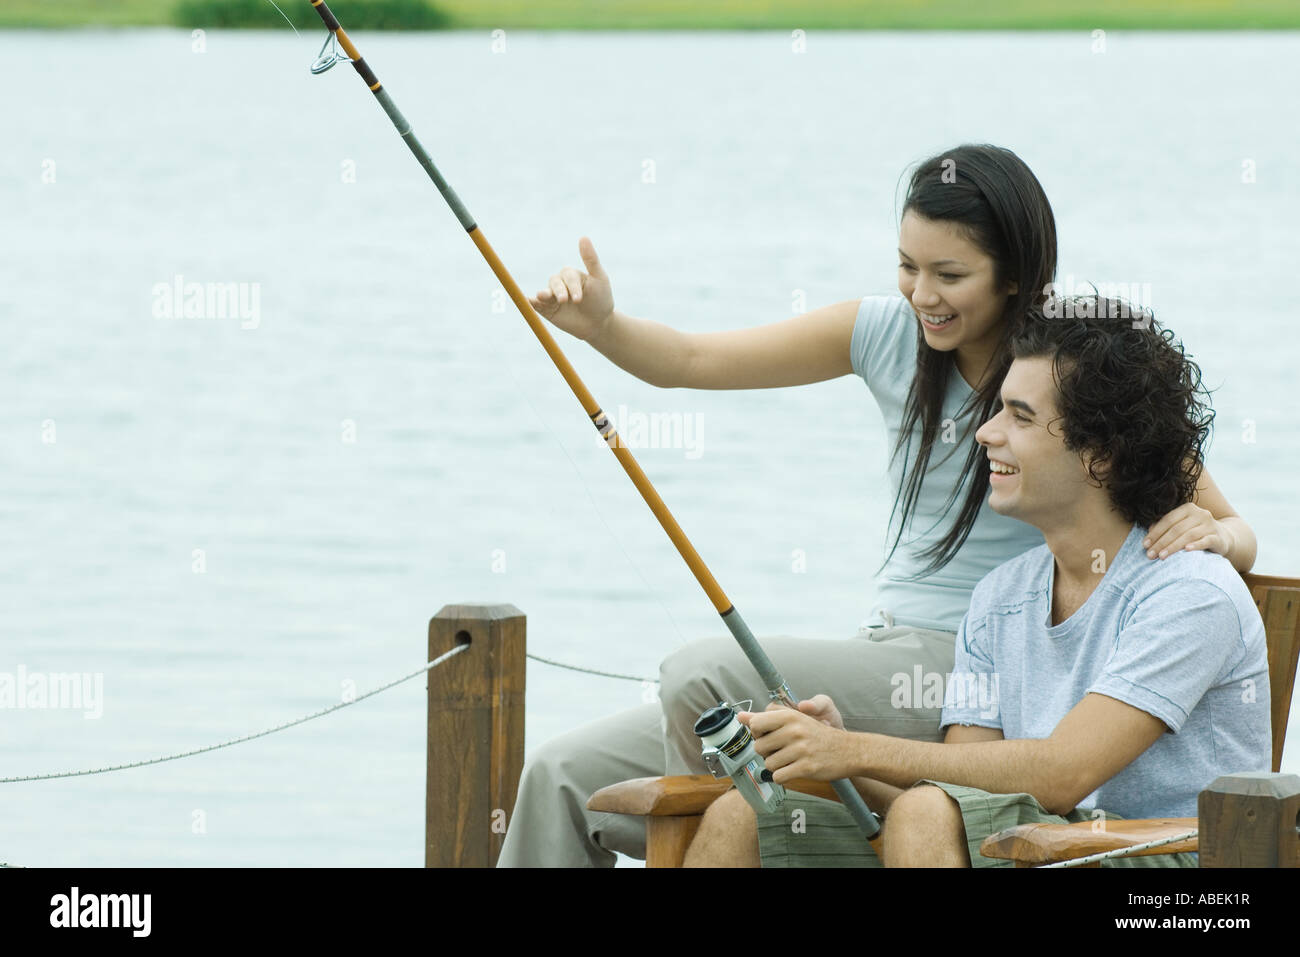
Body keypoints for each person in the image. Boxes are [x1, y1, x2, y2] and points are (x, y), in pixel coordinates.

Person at [497, 145, 1258, 867]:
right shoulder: (1002, 585)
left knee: (710, 677)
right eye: (907, 266)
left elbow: (1192, 500)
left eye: (950, 273)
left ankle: (696, 806)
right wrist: (602, 327)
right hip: (911, 657)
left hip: (955, 680)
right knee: (566, 774)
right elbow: (692, 359)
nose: (923, 293)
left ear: (1015, 278)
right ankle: (725, 803)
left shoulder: (1080, 375)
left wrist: (1220, 536)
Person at [682, 296, 1271, 867]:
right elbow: (956, 791)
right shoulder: (999, 598)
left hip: (1177, 870)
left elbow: (1063, 774)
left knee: (928, 816)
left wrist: (854, 749)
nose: (985, 434)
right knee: (747, 819)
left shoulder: (1190, 592)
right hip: (1036, 846)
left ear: (1101, 455)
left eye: (1019, 416)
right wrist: (837, 756)